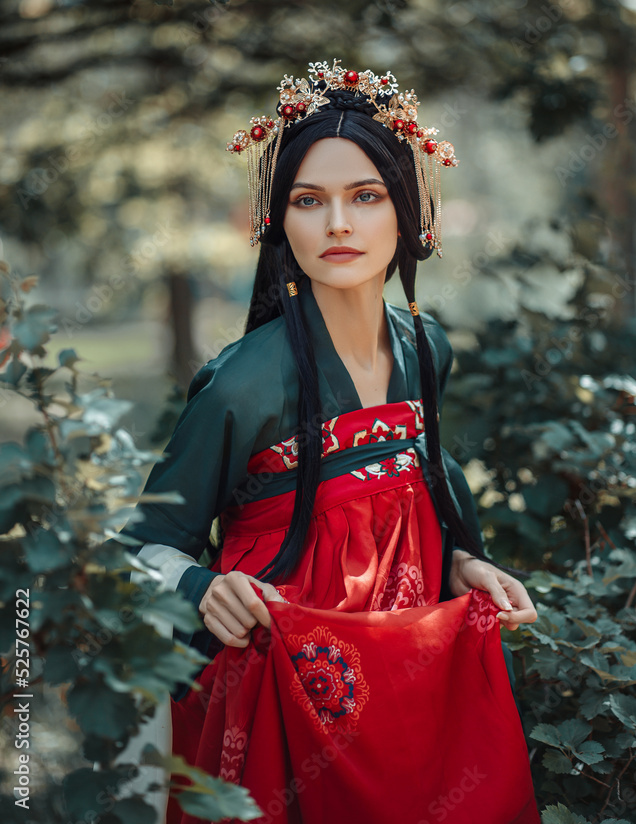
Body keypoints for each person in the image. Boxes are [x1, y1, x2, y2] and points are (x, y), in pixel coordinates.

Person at [122, 61, 540, 824]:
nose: (337, 224)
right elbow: (140, 546)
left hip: (404, 688)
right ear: (278, 221)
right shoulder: (245, 384)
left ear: (410, 215)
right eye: (308, 201)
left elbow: (411, 490)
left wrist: (464, 562)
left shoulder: (426, 349)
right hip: (279, 694)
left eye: (366, 197)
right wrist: (201, 588)